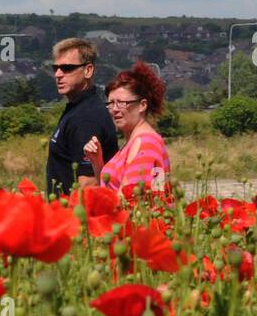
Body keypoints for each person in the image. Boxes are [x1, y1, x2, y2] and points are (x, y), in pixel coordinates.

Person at [45, 38, 119, 198]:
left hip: (74, 217)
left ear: (88, 70)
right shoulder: (78, 109)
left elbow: (89, 186)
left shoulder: (86, 118)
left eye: (67, 68)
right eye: (55, 68)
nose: (58, 74)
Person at [83, 61, 170, 195]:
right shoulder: (133, 143)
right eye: (111, 103)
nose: (115, 110)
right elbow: (112, 191)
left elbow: (130, 201)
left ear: (142, 105)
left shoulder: (145, 144)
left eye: (122, 103)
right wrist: (97, 162)